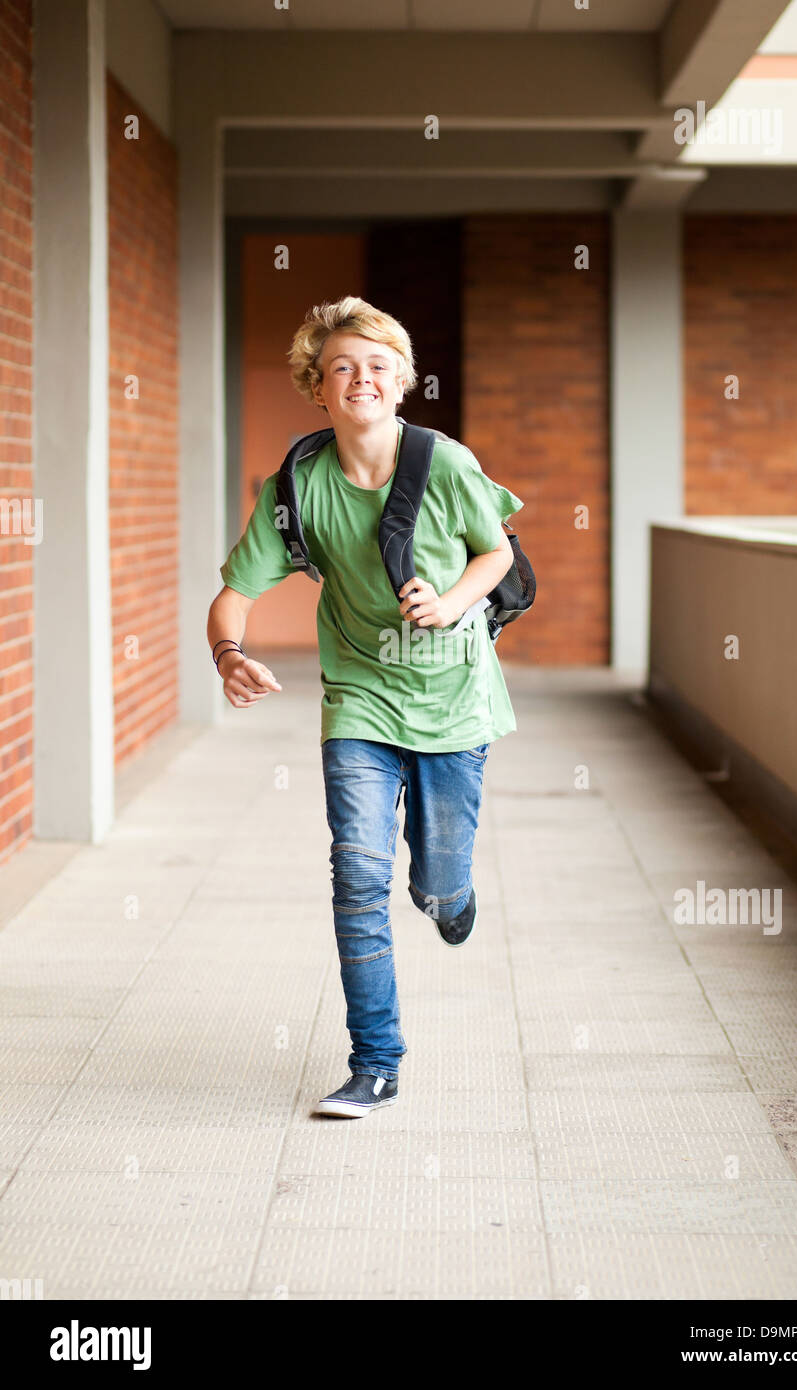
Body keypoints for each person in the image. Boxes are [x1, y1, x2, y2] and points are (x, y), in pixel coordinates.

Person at [207, 296, 523, 1118]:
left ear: (402, 382)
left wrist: (453, 601)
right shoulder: (298, 486)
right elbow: (232, 595)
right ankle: (375, 1063)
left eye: (378, 365)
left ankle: (447, 893)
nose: (362, 378)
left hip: (453, 699)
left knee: (438, 879)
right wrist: (229, 655)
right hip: (358, 700)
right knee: (357, 876)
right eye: (343, 366)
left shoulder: (445, 464)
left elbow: (496, 554)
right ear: (319, 386)